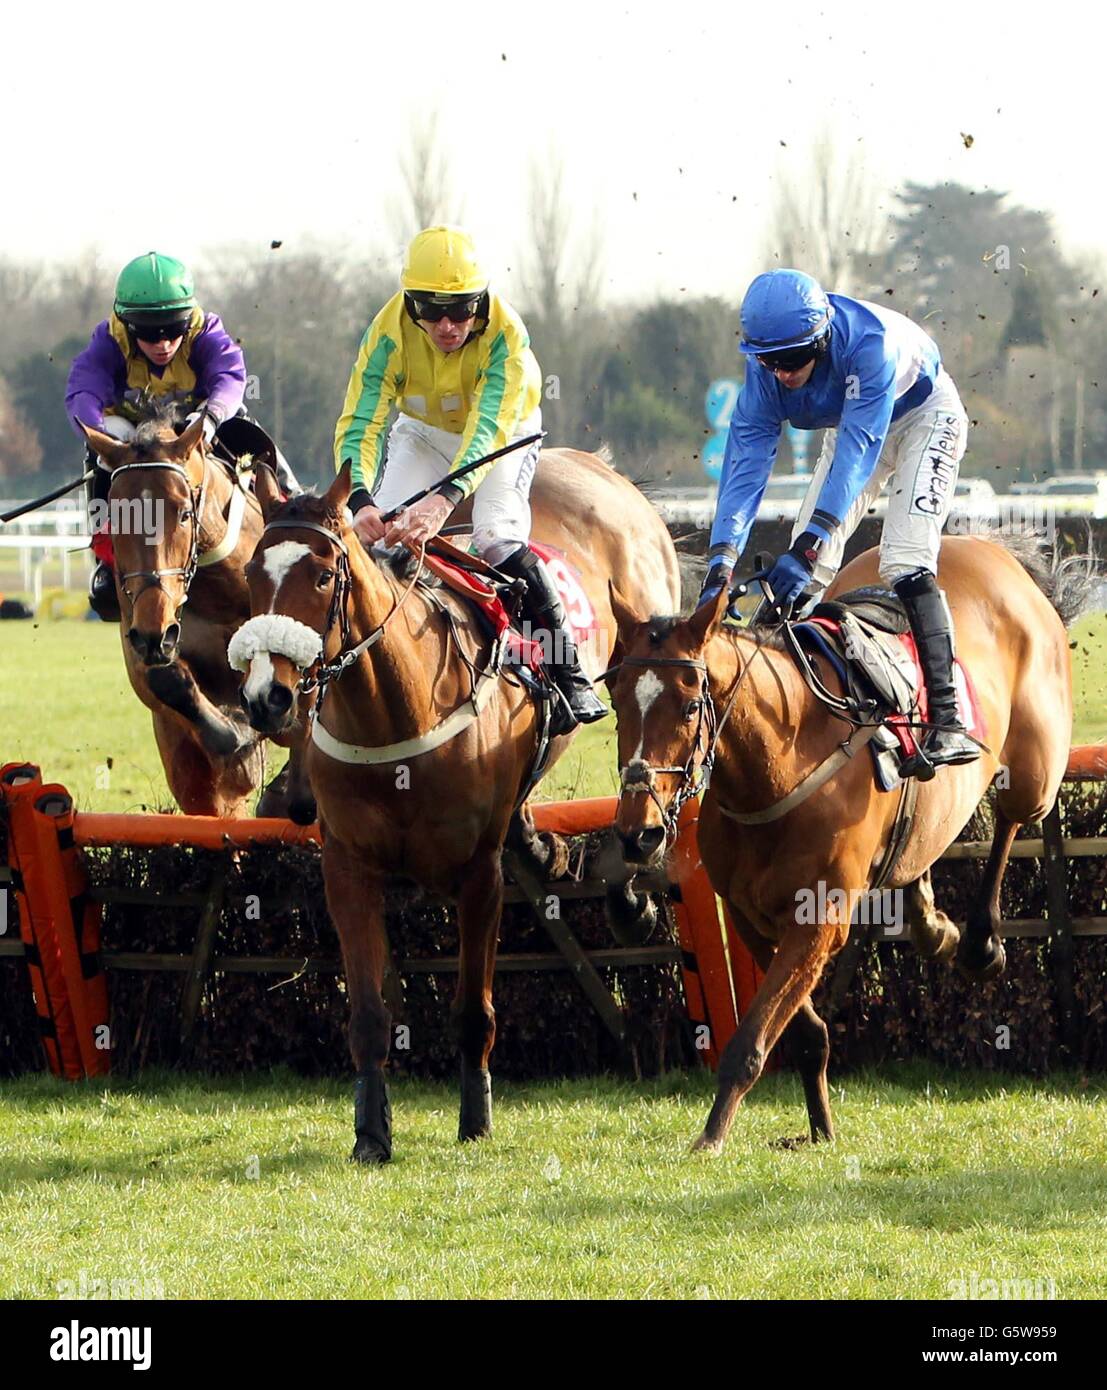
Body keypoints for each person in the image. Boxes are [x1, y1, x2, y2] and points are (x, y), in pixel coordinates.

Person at [700, 268, 978, 777]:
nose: (780, 372)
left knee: (905, 560)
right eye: (768, 360)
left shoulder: (866, 345)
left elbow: (858, 452)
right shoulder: (766, 370)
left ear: (822, 340)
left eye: (791, 360)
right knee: (809, 566)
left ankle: (948, 717)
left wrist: (806, 547)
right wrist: (720, 563)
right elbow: (745, 466)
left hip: (923, 420)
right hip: (853, 428)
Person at [334, 224, 605, 733]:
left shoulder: (506, 334)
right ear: (408, 301)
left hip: (502, 435)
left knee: (496, 536)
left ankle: (567, 671)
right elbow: (361, 422)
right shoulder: (386, 333)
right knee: (377, 546)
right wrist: (362, 501)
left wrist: (444, 500)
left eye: (460, 309)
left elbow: (487, 431)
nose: (446, 325)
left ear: (481, 300)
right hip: (423, 433)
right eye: (430, 309)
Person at [66, 251, 300, 619]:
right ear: (128, 326)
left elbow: (230, 377)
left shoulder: (205, 330)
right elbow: (82, 393)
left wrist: (207, 420)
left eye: (173, 330)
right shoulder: (108, 341)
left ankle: (295, 509)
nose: (163, 344)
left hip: (198, 421)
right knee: (98, 457)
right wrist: (101, 433)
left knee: (243, 425)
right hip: (136, 433)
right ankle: (106, 561)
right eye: (149, 334)